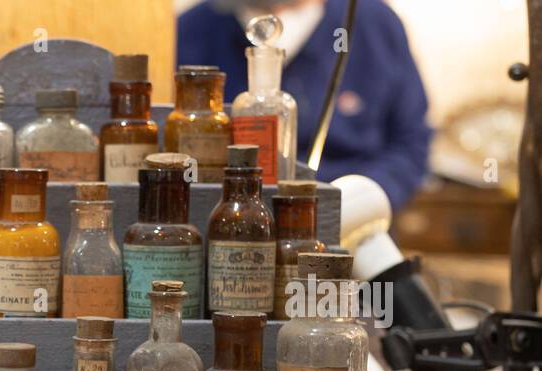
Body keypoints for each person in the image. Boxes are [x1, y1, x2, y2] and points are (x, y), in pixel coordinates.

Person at [178, 0, 431, 212]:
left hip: (353, 225)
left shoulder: (374, 26)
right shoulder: (189, 32)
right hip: (231, 223)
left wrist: (355, 202)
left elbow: (411, 142)